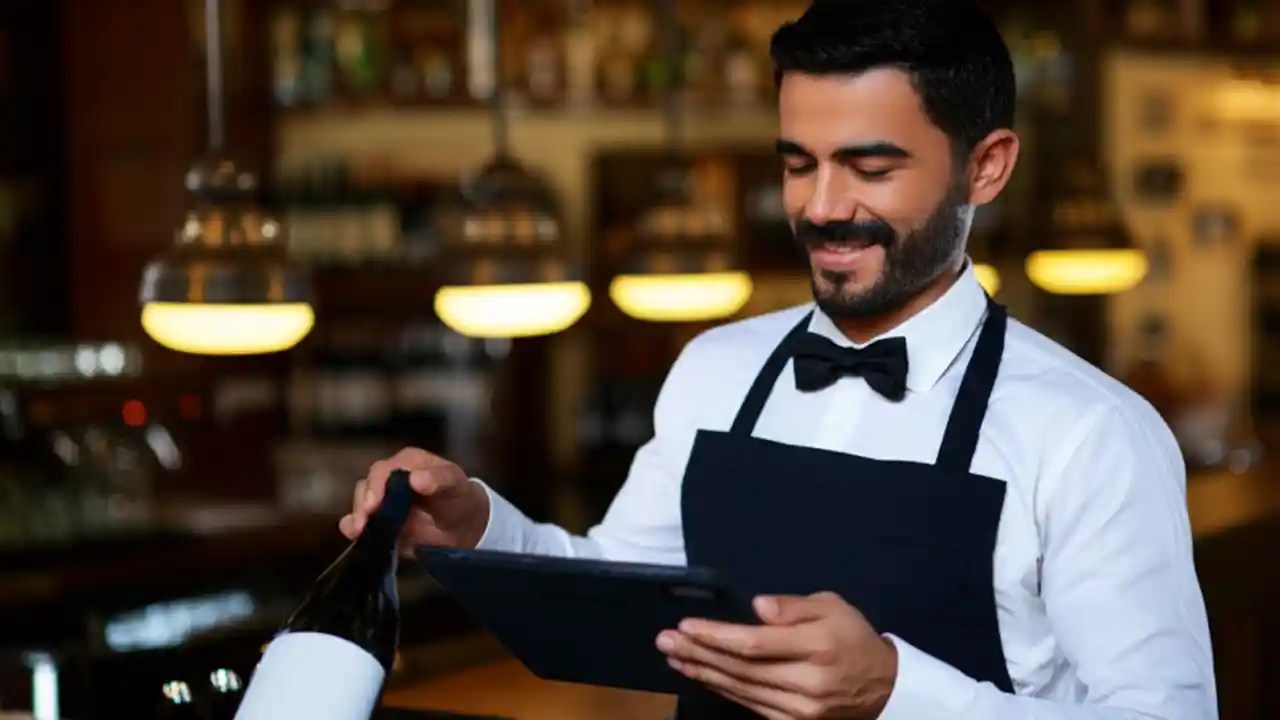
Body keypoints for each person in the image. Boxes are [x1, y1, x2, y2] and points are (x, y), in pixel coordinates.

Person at [341, 1, 1217, 718]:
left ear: (985, 167)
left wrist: (897, 691)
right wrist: (478, 530)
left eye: (870, 168)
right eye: (800, 164)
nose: (824, 207)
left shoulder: (1094, 434)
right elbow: (622, 591)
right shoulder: (716, 369)